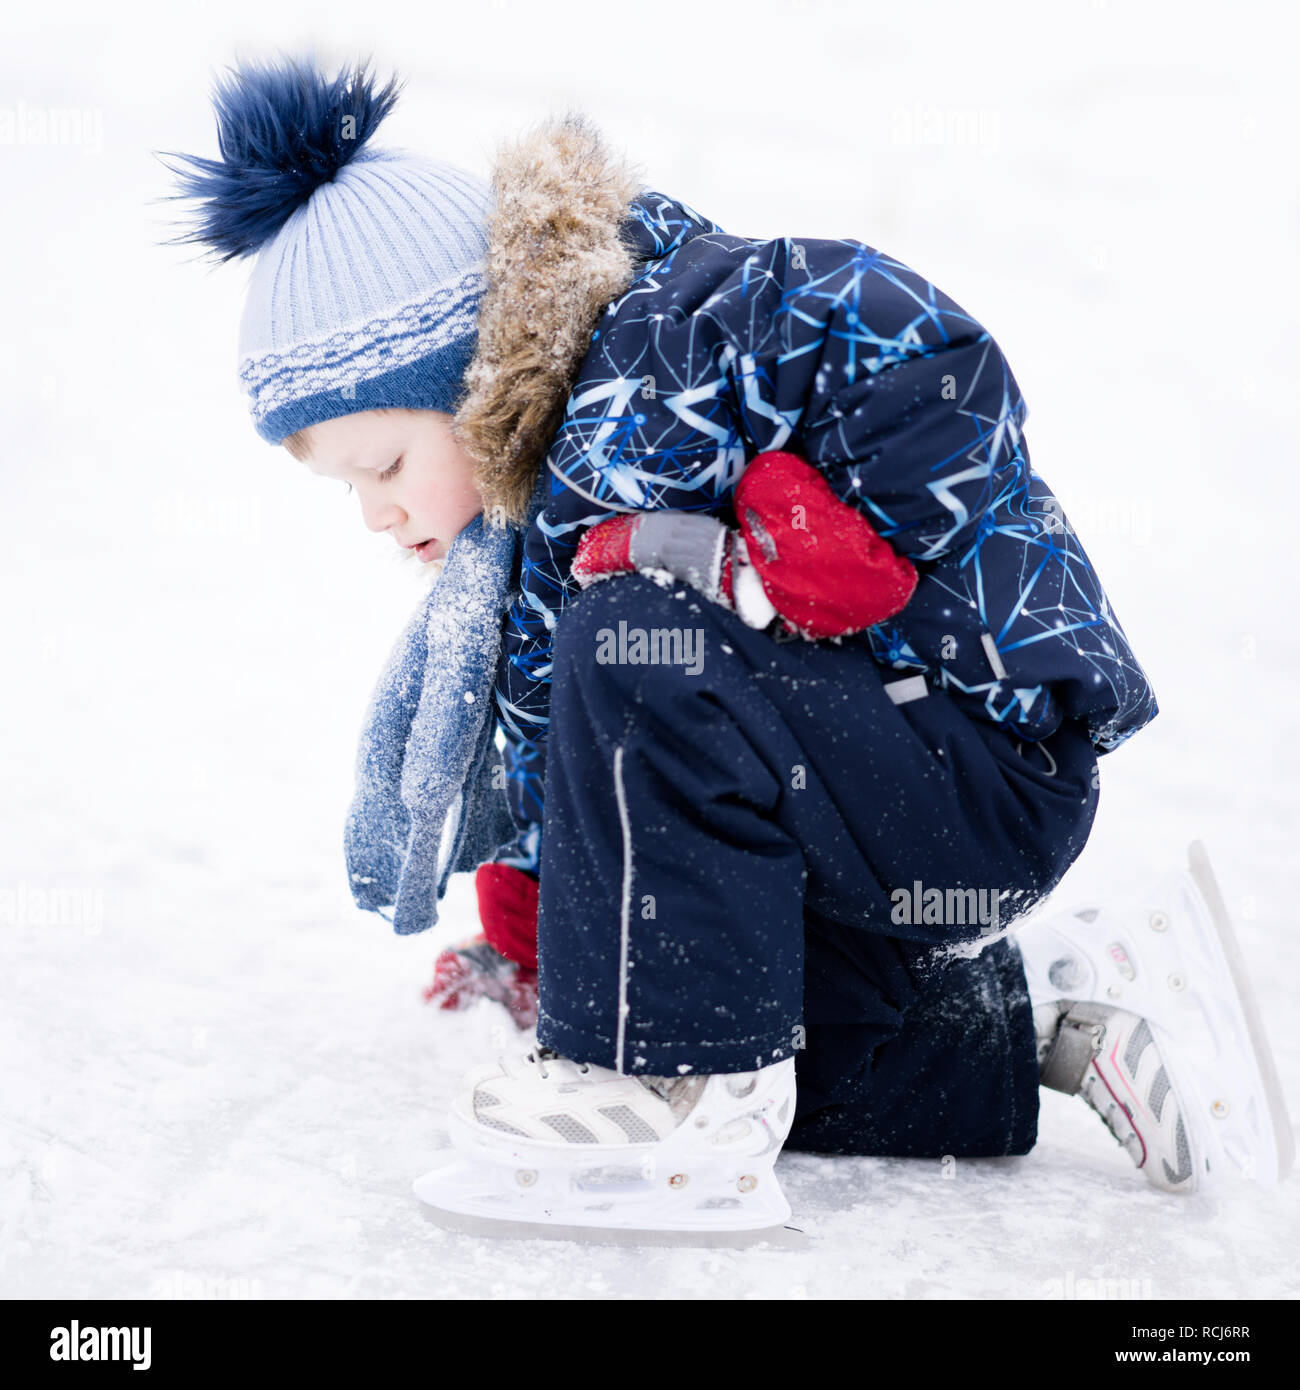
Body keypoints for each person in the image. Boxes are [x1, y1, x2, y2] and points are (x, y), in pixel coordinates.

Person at [158, 56, 1289, 1241]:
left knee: (629, 631)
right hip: (877, 787)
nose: (378, 516)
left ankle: (670, 1094)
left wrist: (835, 529)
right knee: (759, 1018)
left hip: (974, 751)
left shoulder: (670, 350)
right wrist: (549, 939)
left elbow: (915, 338)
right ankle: (1052, 1001)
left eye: (383, 465)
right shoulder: (550, 514)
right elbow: (592, 777)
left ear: (467, 370)